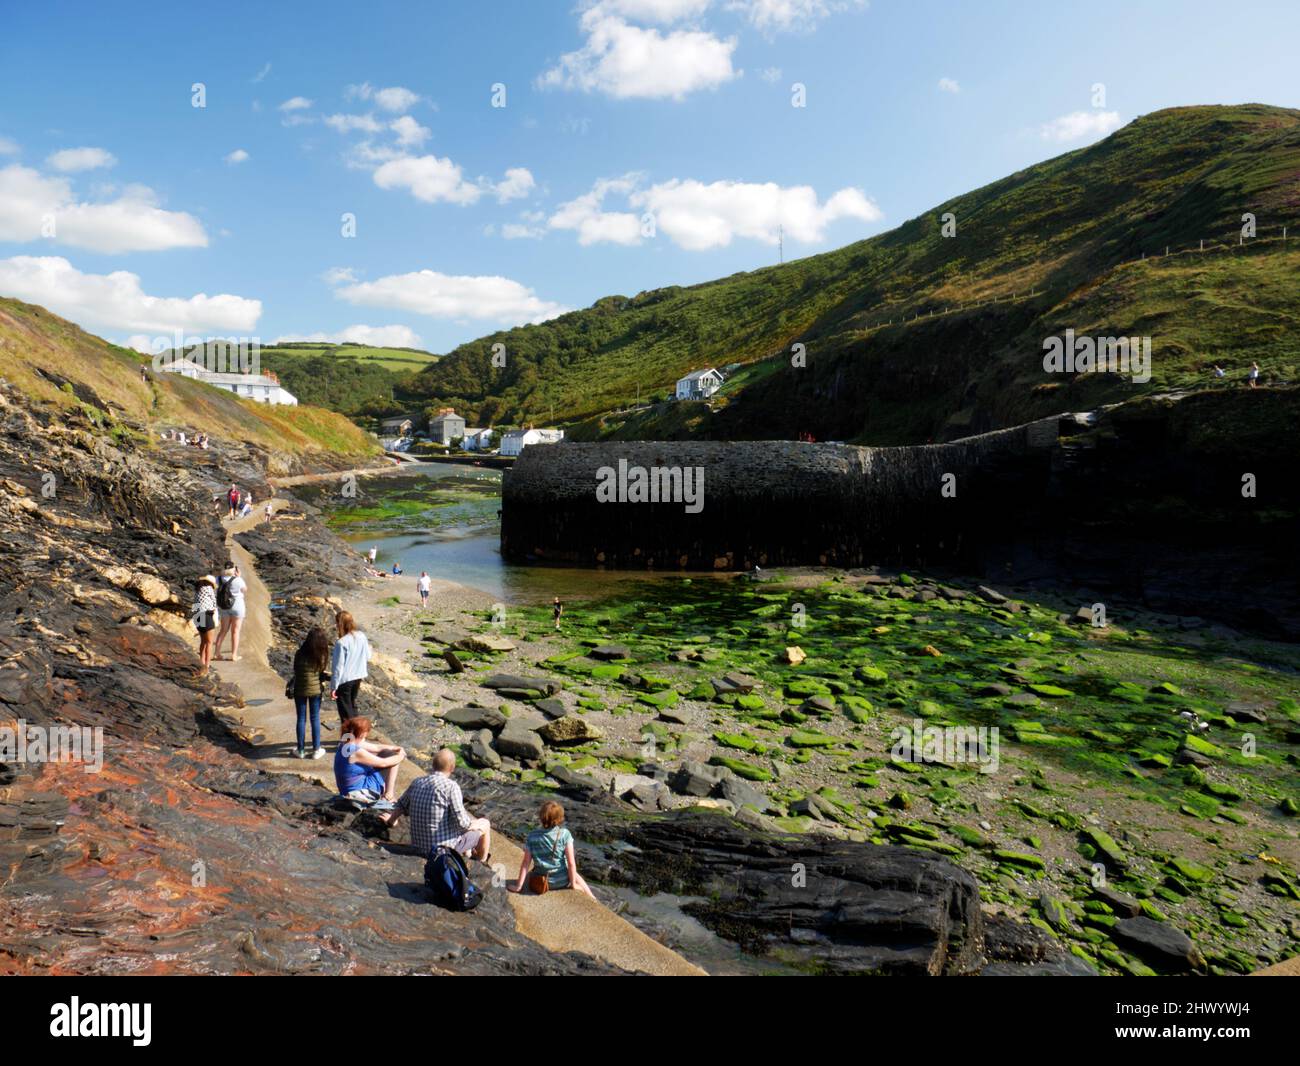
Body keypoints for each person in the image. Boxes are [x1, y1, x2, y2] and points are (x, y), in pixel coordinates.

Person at [376, 748, 491, 862]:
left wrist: (391, 821)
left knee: (458, 822)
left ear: (433, 765)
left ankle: (468, 853)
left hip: (418, 848)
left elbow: (401, 805)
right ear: (452, 768)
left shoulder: (417, 782)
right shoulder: (451, 787)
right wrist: (474, 825)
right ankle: (481, 861)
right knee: (484, 824)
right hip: (443, 851)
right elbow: (462, 824)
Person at [511, 800, 594, 898]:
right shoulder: (564, 834)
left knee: (530, 873)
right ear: (559, 818)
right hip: (562, 881)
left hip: (541, 880)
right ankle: (592, 898)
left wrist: (519, 886)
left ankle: (591, 897)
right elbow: (571, 863)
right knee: (574, 873)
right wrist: (573, 884)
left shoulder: (532, 836)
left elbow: (526, 863)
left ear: (541, 816)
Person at [333, 716, 404, 805]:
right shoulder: (354, 752)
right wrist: (401, 756)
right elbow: (383, 763)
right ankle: (389, 795)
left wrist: (395, 748)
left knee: (387, 753)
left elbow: (376, 747)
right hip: (358, 791)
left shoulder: (346, 742)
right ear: (362, 733)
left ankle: (387, 793)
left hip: (346, 789)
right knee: (393, 758)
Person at [292, 627, 331, 758]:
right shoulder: (320, 655)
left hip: (300, 690)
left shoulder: (299, 653)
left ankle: (301, 750)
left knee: (301, 719)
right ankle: (316, 750)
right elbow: (321, 672)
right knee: (315, 718)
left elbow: (295, 670)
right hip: (315, 691)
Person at [330, 610, 371, 723]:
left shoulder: (341, 642)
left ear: (340, 624)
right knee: (352, 706)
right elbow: (368, 656)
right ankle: (357, 734)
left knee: (345, 712)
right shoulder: (361, 636)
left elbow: (338, 667)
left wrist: (333, 687)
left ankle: (349, 738)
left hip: (345, 680)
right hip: (358, 677)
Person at [214, 565, 247, 662]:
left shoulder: (218, 579)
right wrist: (239, 576)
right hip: (237, 606)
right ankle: (234, 655)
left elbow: (215, 589)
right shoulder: (237, 579)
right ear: (234, 569)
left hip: (223, 606)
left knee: (223, 630)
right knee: (235, 631)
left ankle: (217, 653)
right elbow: (244, 589)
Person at [191, 575, 219, 676]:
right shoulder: (209, 589)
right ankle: (207, 666)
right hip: (207, 615)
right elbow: (214, 604)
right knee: (210, 643)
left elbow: (194, 606)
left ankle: (201, 663)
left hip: (198, 616)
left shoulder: (197, 590)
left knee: (203, 642)